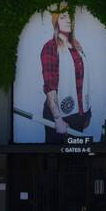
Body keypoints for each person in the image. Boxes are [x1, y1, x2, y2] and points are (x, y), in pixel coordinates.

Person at [39, 10, 91, 142]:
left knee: (77, 158)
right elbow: (50, 87)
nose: (68, 20)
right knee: (57, 157)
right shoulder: (50, 47)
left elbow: (83, 82)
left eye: (70, 17)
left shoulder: (76, 47)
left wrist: (87, 113)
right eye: (63, 17)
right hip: (60, 117)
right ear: (56, 23)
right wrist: (58, 119)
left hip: (79, 114)